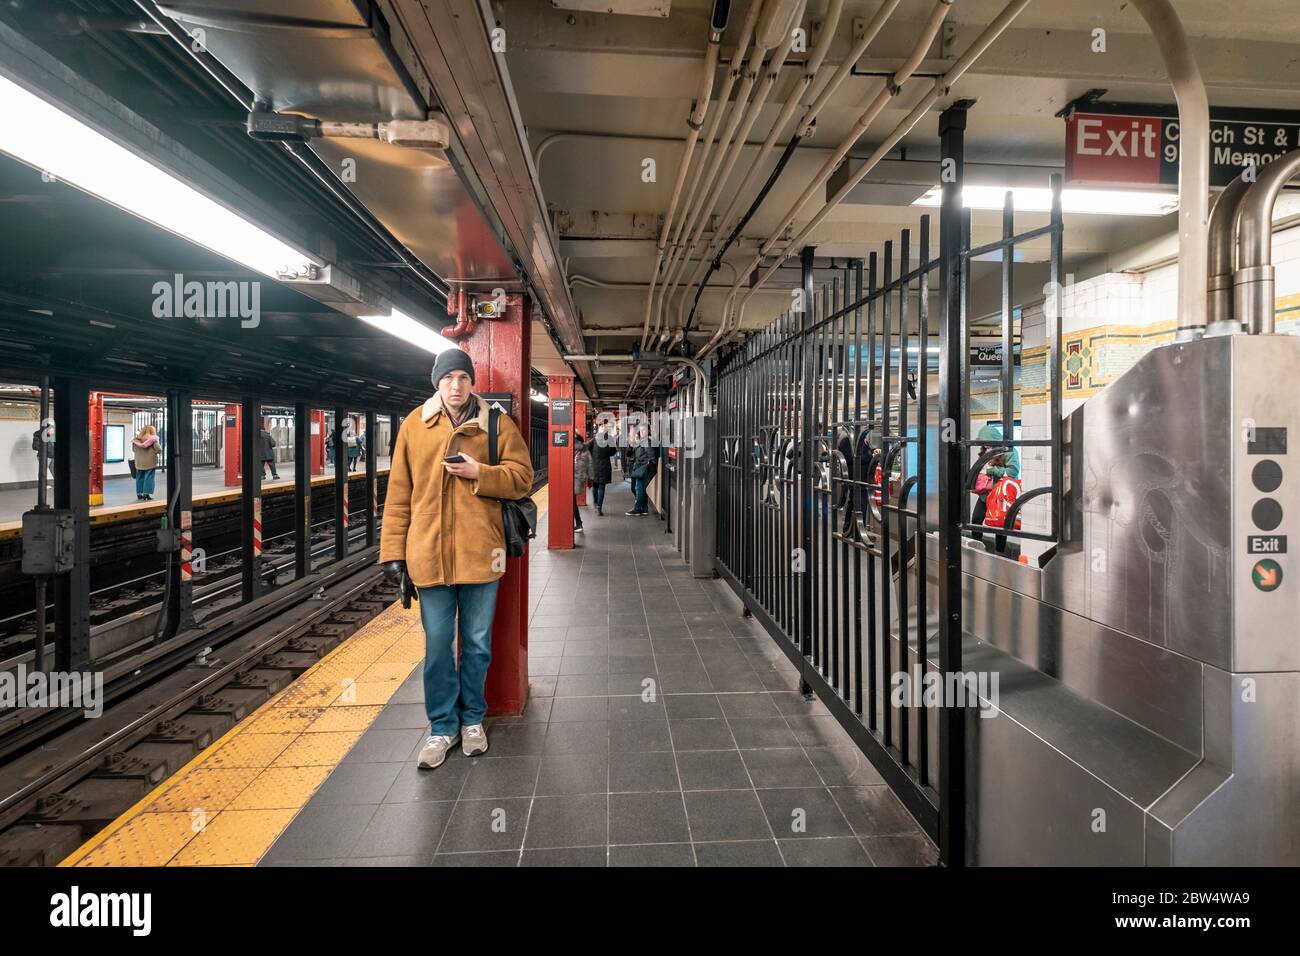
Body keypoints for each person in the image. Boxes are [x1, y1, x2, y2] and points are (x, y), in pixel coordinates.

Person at [379, 348, 532, 770]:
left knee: (479, 645)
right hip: (428, 554)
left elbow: (522, 478)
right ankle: (442, 727)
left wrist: (480, 472)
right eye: (448, 378)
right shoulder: (415, 425)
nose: (456, 386)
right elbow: (399, 494)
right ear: (437, 382)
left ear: (472, 382)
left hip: (482, 552)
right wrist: (393, 552)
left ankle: (472, 721)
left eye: (463, 377)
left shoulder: (496, 425)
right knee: (437, 647)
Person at [971, 422, 1020, 554]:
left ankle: (1000, 553)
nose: (985, 445)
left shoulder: (1009, 451)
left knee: (999, 524)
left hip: (999, 496)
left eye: (987, 442)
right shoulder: (986, 450)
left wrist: (992, 470)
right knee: (975, 520)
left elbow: (1013, 472)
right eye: (982, 443)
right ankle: (976, 548)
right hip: (985, 495)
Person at [626, 427, 656, 516]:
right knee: (641, 489)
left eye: (644, 430)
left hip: (644, 469)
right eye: (641, 430)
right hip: (640, 467)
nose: (642, 432)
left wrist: (647, 464)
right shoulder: (641, 442)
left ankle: (638, 508)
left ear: (648, 431)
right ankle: (644, 508)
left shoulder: (646, 442)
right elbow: (630, 454)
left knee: (639, 489)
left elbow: (652, 456)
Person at [588, 426, 615, 516]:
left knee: (595, 486)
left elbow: (586, 448)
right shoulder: (610, 440)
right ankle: (599, 507)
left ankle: (595, 504)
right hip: (605, 467)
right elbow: (613, 452)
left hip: (594, 467)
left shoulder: (594, 440)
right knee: (601, 487)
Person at [132, 424, 161, 501]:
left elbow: (134, 450)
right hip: (150, 462)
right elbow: (159, 450)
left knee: (139, 477)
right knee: (149, 477)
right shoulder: (153, 440)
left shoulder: (136, 440)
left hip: (139, 463)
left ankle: (139, 494)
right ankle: (146, 494)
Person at [572, 436, 592, 533]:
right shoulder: (579, 451)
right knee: (572, 502)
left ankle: (579, 523)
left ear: (579, 443)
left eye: (575, 442)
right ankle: (578, 523)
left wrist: (591, 479)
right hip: (576, 479)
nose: (573, 444)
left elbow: (586, 466)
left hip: (577, 479)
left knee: (571, 501)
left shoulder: (583, 453)